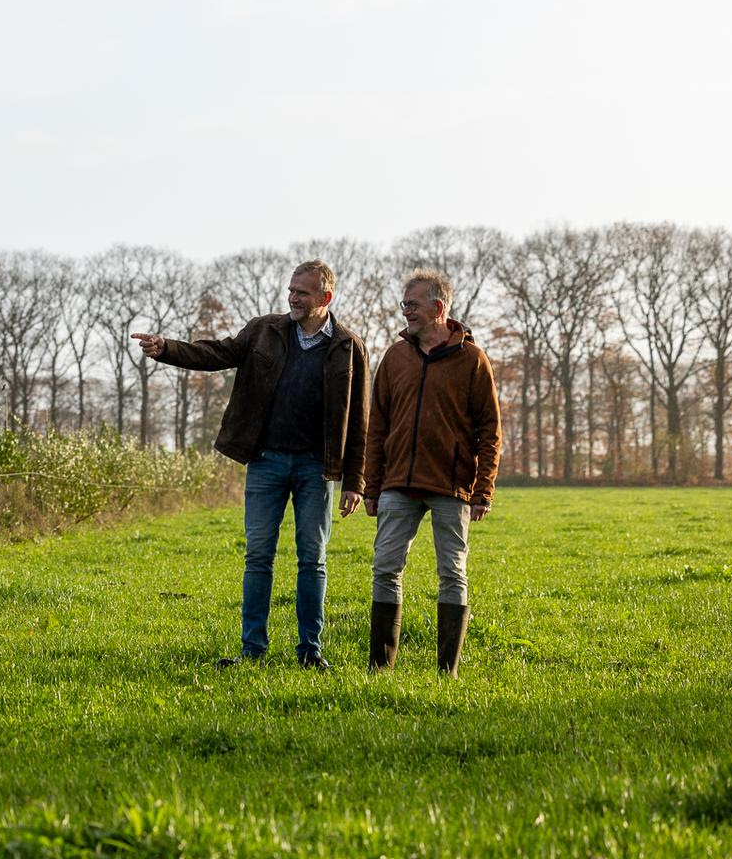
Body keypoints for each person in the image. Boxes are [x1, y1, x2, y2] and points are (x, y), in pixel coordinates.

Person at [132, 260, 369, 669]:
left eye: (302, 293)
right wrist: (167, 348)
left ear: (326, 297)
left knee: (312, 559)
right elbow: (217, 353)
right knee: (258, 557)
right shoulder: (265, 330)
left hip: (316, 468)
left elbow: (360, 419)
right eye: (291, 290)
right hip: (266, 462)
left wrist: (355, 480)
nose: (293, 298)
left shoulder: (349, 347)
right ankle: (252, 650)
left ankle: (310, 652)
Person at [362, 268, 501, 676]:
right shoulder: (394, 357)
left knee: (452, 574)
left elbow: (490, 430)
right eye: (404, 304)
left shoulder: (473, 360)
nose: (406, 311)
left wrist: (483, 490)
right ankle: (380, 669)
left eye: (413, 305)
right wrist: (372, 486)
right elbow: (378, 426)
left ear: (438, 308)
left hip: (451, 486)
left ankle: (447, 671)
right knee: (385, 569)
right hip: (397, 485)